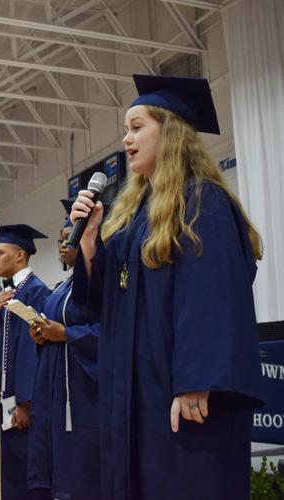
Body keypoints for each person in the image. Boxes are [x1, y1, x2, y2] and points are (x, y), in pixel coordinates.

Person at [69, 75, 263, 500]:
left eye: (137, 127)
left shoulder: (202, 201)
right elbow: (104, 303)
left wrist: (196, 379)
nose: (126, 139)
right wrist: (88, 245)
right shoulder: (135, 219)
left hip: (183, 398)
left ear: (170, 130)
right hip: (139, 398)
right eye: (125, 130)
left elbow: (213, 298)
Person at [0, 225, 51, 500]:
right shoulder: (2, 295)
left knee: (16, 473)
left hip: (15, 402)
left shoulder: (36, 291)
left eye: (1, 253)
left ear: (19, 256)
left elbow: (32, 350)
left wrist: (25, 403)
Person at [27, 201, 101, 500]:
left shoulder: (99, 286)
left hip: (83, 391)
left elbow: (111, 334)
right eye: (60, 238)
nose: (62, 244)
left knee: (80, 471)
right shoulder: (60, 287)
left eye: (70, 236)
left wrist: (67, 334)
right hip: (53, 385)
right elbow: (53, 328)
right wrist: (41, 334)